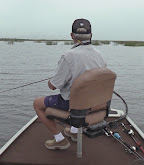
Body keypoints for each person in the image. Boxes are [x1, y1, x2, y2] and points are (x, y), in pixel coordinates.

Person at [33, 18, 107, 150]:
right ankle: (73, 131)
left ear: (72, 36)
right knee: (80, 98)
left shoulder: (68, 56)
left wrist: (51, 81)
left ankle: (59, 139)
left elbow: (54, 86)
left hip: (73, 105)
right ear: (91, 35)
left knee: (37, 104)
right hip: (95, 104)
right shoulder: (99, 55)